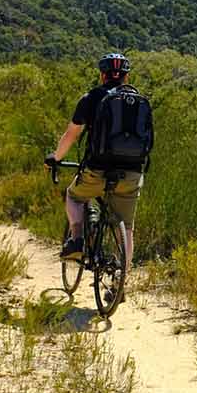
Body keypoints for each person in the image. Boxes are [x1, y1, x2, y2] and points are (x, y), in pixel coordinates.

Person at [45, 52, 152, 266]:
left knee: (74, 196)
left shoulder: (91, 98)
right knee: (127, 227)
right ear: (126, 77)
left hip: (97, 170)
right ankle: (122, 281)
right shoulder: (138, 102)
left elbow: (71, 135)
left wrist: (55, 157)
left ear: (102, 75)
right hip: (131, 173)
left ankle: (77, 240)